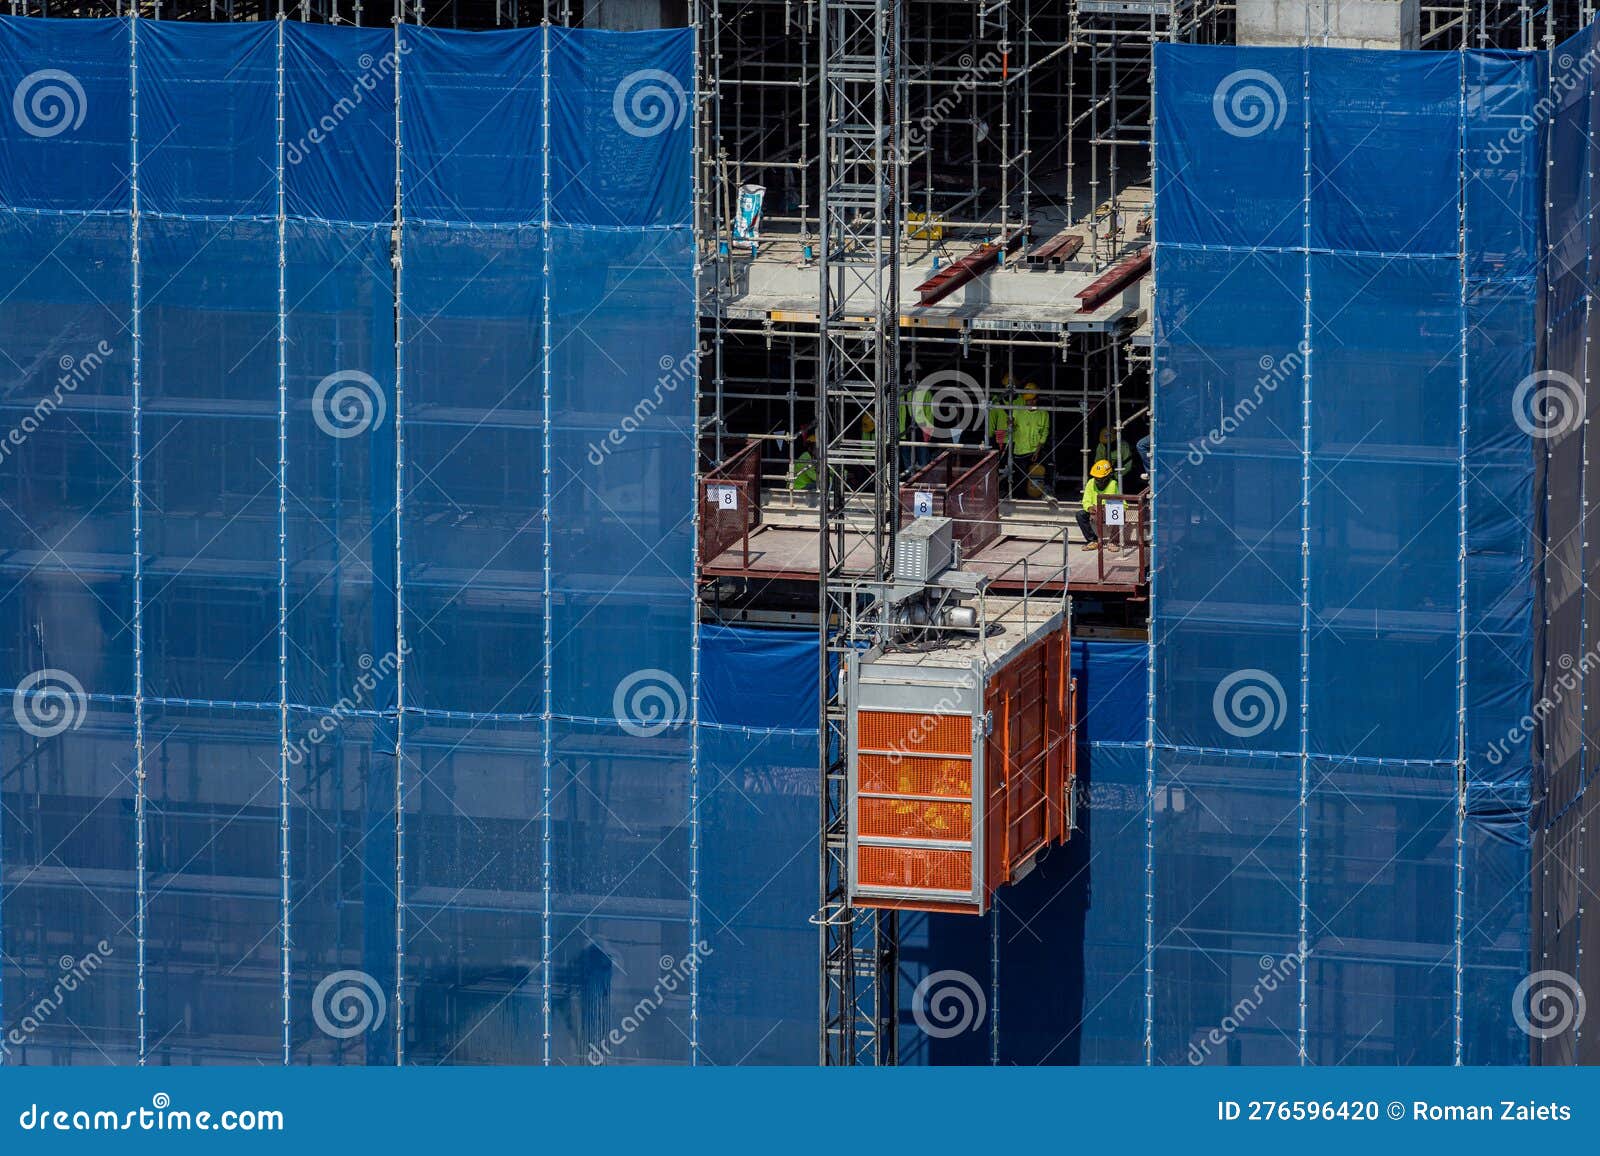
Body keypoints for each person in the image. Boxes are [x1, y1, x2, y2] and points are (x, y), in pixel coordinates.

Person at [1010, 386, 1050, 497]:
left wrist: (1037, 451)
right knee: (1020, 477)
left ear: (1037, 399)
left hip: (1037, 449)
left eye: (1033, 399)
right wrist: (1010, 424)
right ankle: (1020, 497)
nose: (1030, 402)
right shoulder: (1017, 411)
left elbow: (1044, 433)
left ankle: (1047, 492)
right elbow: (1011, 429)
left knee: (1049, 467)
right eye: (1028, 400)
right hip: (1020, 451)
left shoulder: (1043, 413)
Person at [1077, 459, 1119, 550]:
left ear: (1108, 476)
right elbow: (1086, 500)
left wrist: (1103, 507)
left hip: (1107, 510)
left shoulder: (1113, 484)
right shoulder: (1091, 482)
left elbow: (1115, 502)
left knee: (1117, 512)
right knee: (1080, 515)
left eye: (1100, 478)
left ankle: (1112, 541)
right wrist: (1089, 507)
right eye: (1096, 478)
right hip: (1095, 510)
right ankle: (1093, 541)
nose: (1098, 481)